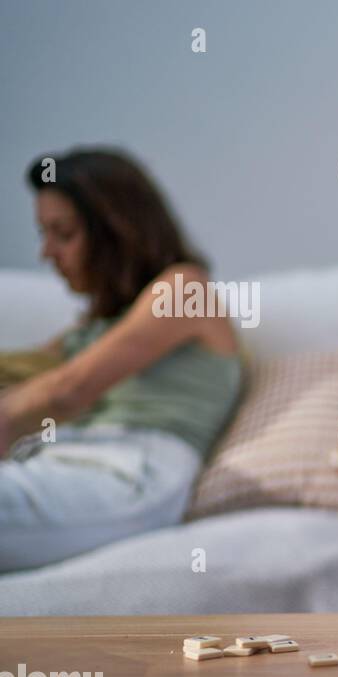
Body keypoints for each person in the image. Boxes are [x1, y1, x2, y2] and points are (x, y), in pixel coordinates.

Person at [0, 149, 243, 572]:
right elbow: (27, 377)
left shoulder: (184, 288)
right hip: (60, 459)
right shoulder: (91, 329)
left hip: (131, 469)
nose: (46, 253)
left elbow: (67, 392)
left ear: (117, 230)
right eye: (43, 234)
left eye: (64, 233)